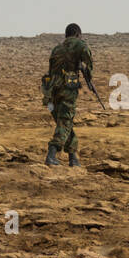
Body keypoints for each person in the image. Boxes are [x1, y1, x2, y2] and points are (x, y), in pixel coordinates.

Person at [43, 23, 92, 167]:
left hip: (52, 90)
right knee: (65, 121)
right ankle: (52, 153)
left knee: (64, 122)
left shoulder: (56, 49)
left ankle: (72, 157)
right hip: (67, 90)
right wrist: (87, 74)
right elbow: (89, 65)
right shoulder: (80, 45)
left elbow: (51, 71)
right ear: (77, 34)